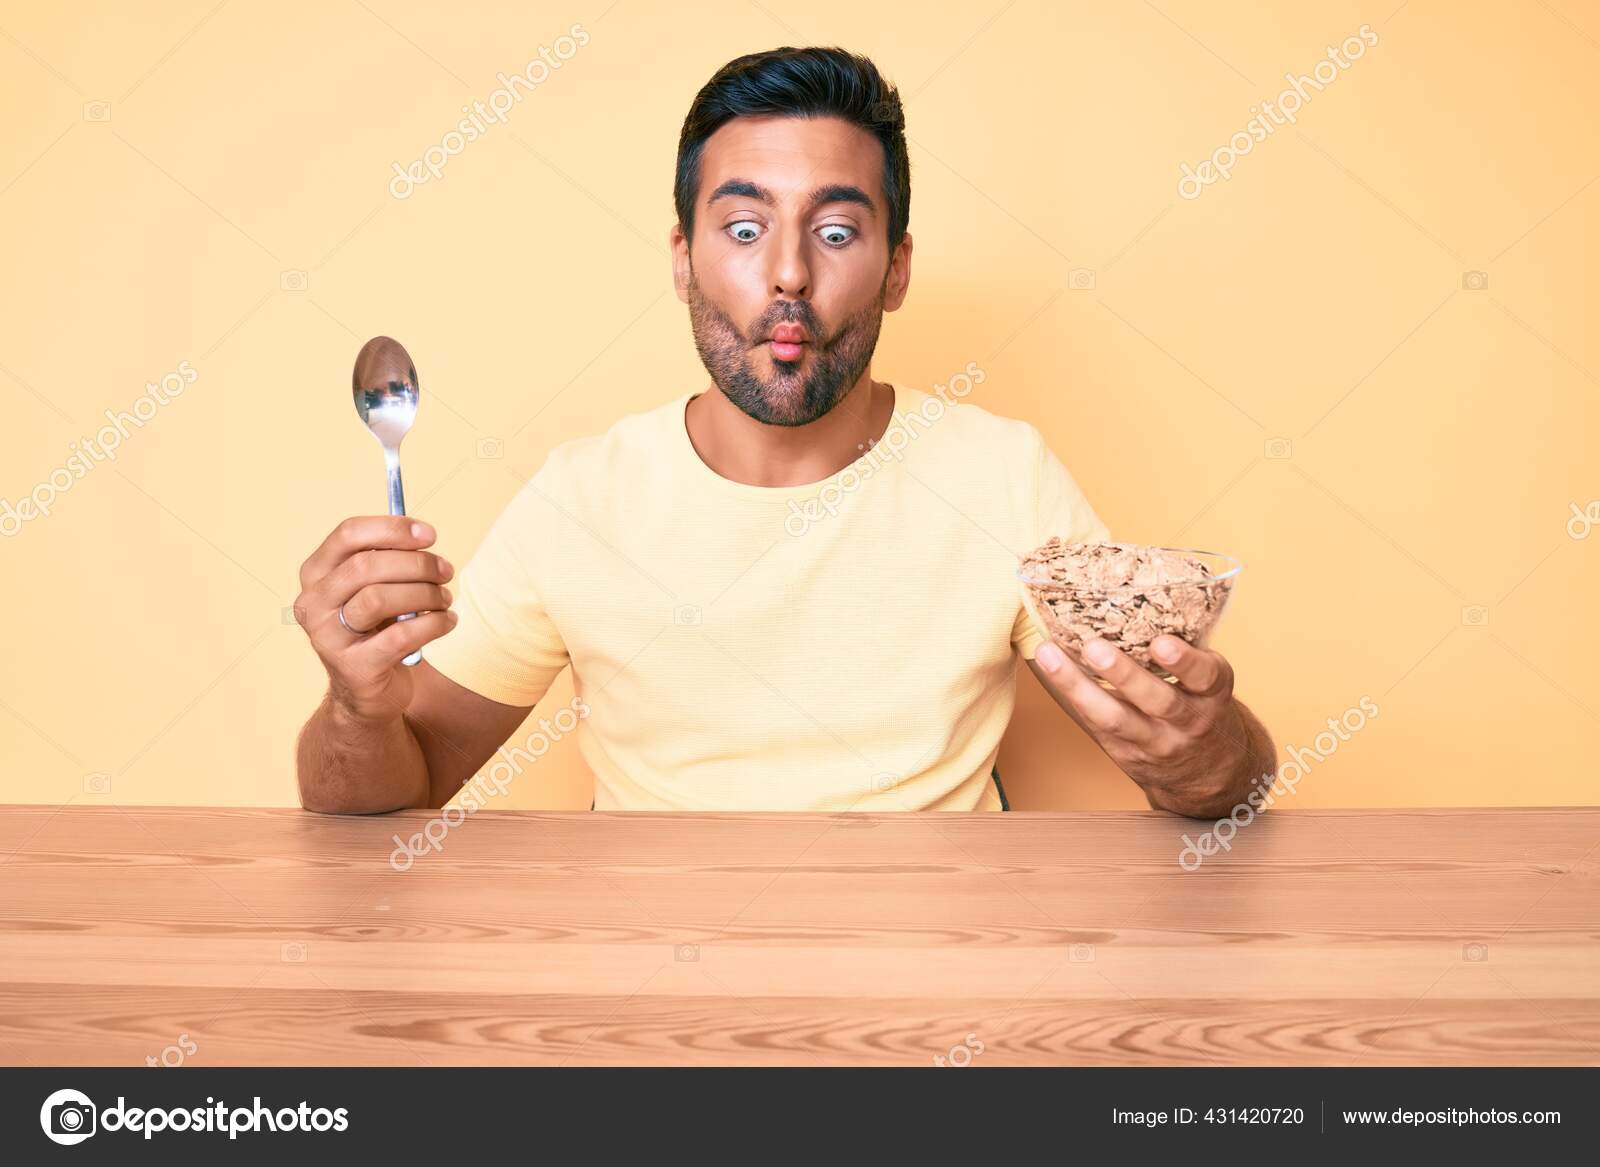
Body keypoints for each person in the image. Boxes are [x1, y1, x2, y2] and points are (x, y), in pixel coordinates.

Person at [294, 46, 1275, 817]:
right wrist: (358, 705)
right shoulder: (582, 498)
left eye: (838, 233)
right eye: (744, 229)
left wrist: (1207, 747)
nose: (790, 276)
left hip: (933, 992)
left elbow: (1215, 785)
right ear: (683, 259)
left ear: (894, 270)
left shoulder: (1000, 477)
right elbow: (392, 794)